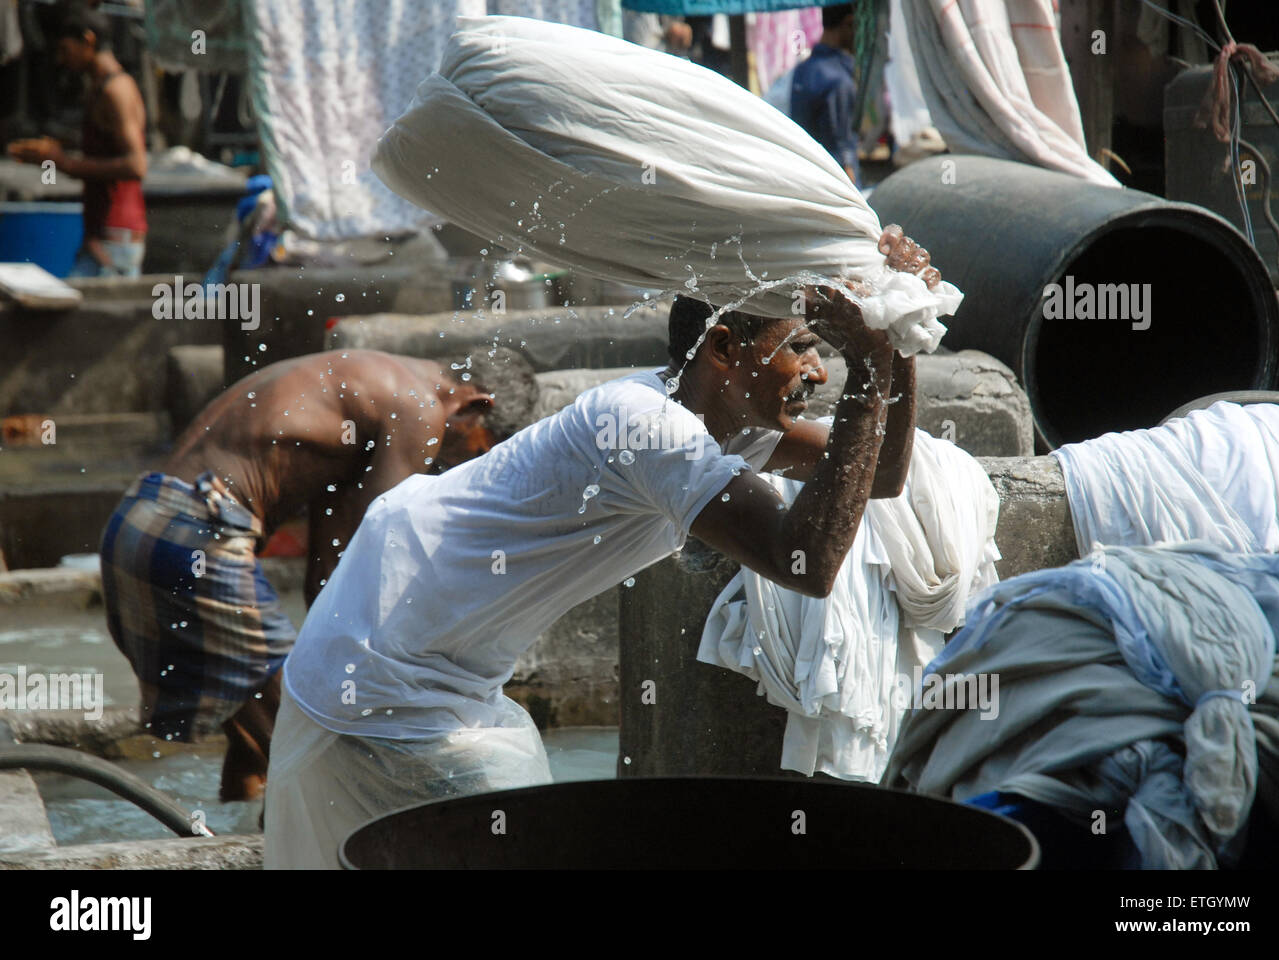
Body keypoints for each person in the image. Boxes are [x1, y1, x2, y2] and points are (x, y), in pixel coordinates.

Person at [263, 226, 940, 867]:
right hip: (384, 659)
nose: (820, 373)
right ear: (725, 349)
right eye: (804, 348)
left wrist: (899, 342)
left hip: (431, 656)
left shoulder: (729, 422)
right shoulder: (646, 425)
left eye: (825, 351)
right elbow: (808, 563)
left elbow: (878, 475)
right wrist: (873, 360)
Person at [99, 347, 536, 801]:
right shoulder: (419, 407)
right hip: (194, 534)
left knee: (256, 741)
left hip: (142, 525)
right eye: (476, 450)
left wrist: (334, 667)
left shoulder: (368, 388)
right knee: (315, 755)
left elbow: (333, 571)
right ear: (474, 405)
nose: (456, 466)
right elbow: (381, 554)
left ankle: (242, 841)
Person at [6, 2, 148, 277]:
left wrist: (63, 163)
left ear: (88, 40)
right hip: (99, 239)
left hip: (116, 240)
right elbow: (106, 146)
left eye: (65, 49)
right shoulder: (97, 88)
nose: (61, 59)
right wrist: (56, 147)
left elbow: (136, 165)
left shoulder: (116, 91)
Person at [790, 3, 860, 184]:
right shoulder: (838, 81)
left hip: (805, 176)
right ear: (849, 23)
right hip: (835, 181)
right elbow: (841, 149)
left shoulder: (802, 70)